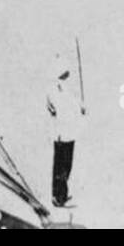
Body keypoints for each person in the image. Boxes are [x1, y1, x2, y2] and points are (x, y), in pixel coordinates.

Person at [46, 53, 85, 209]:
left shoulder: (58, 89)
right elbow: (64, 108)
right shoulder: (58, 90)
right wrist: (79, 109)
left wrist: (80, 108)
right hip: (63, 133)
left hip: (64, 132)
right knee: (63, 166)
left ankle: (60, 195)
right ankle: (59, 197)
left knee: (63, 165)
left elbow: (61, 106)